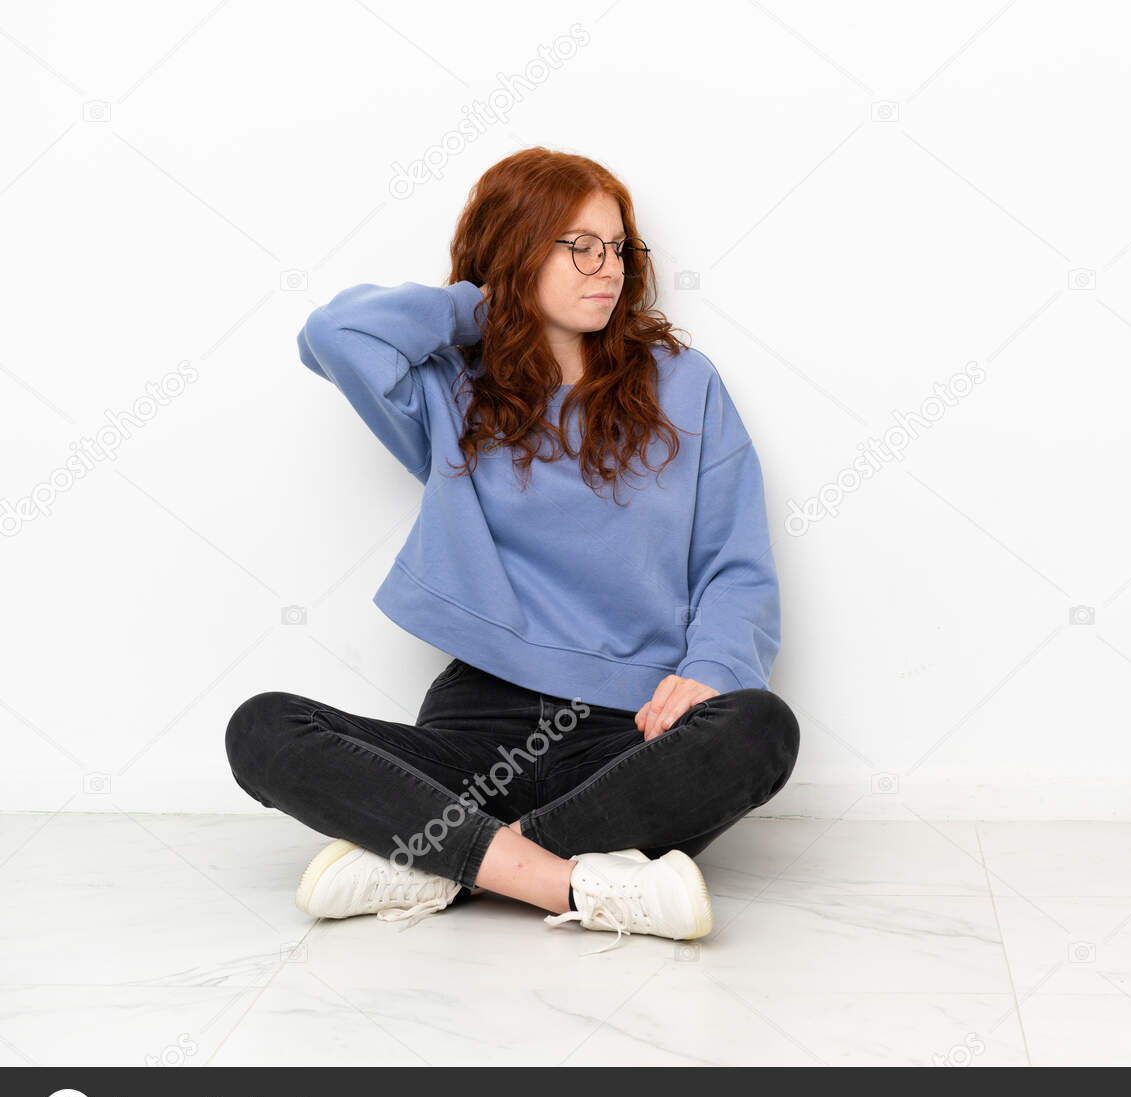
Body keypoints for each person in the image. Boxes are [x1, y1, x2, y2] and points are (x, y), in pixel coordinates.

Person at [224, 148, 799, 953]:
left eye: (618, 244)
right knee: (262, 729)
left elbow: (735, 563)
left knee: (761, 728)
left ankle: (444, 859)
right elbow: (334, 333)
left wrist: (711, 667)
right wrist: (483, 308)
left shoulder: (686, 383)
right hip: (475, 726)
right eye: (576, 245)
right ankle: (570, 881)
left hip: (628, 735)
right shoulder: (449, 389)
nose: (608, 267)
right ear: (516, 251)